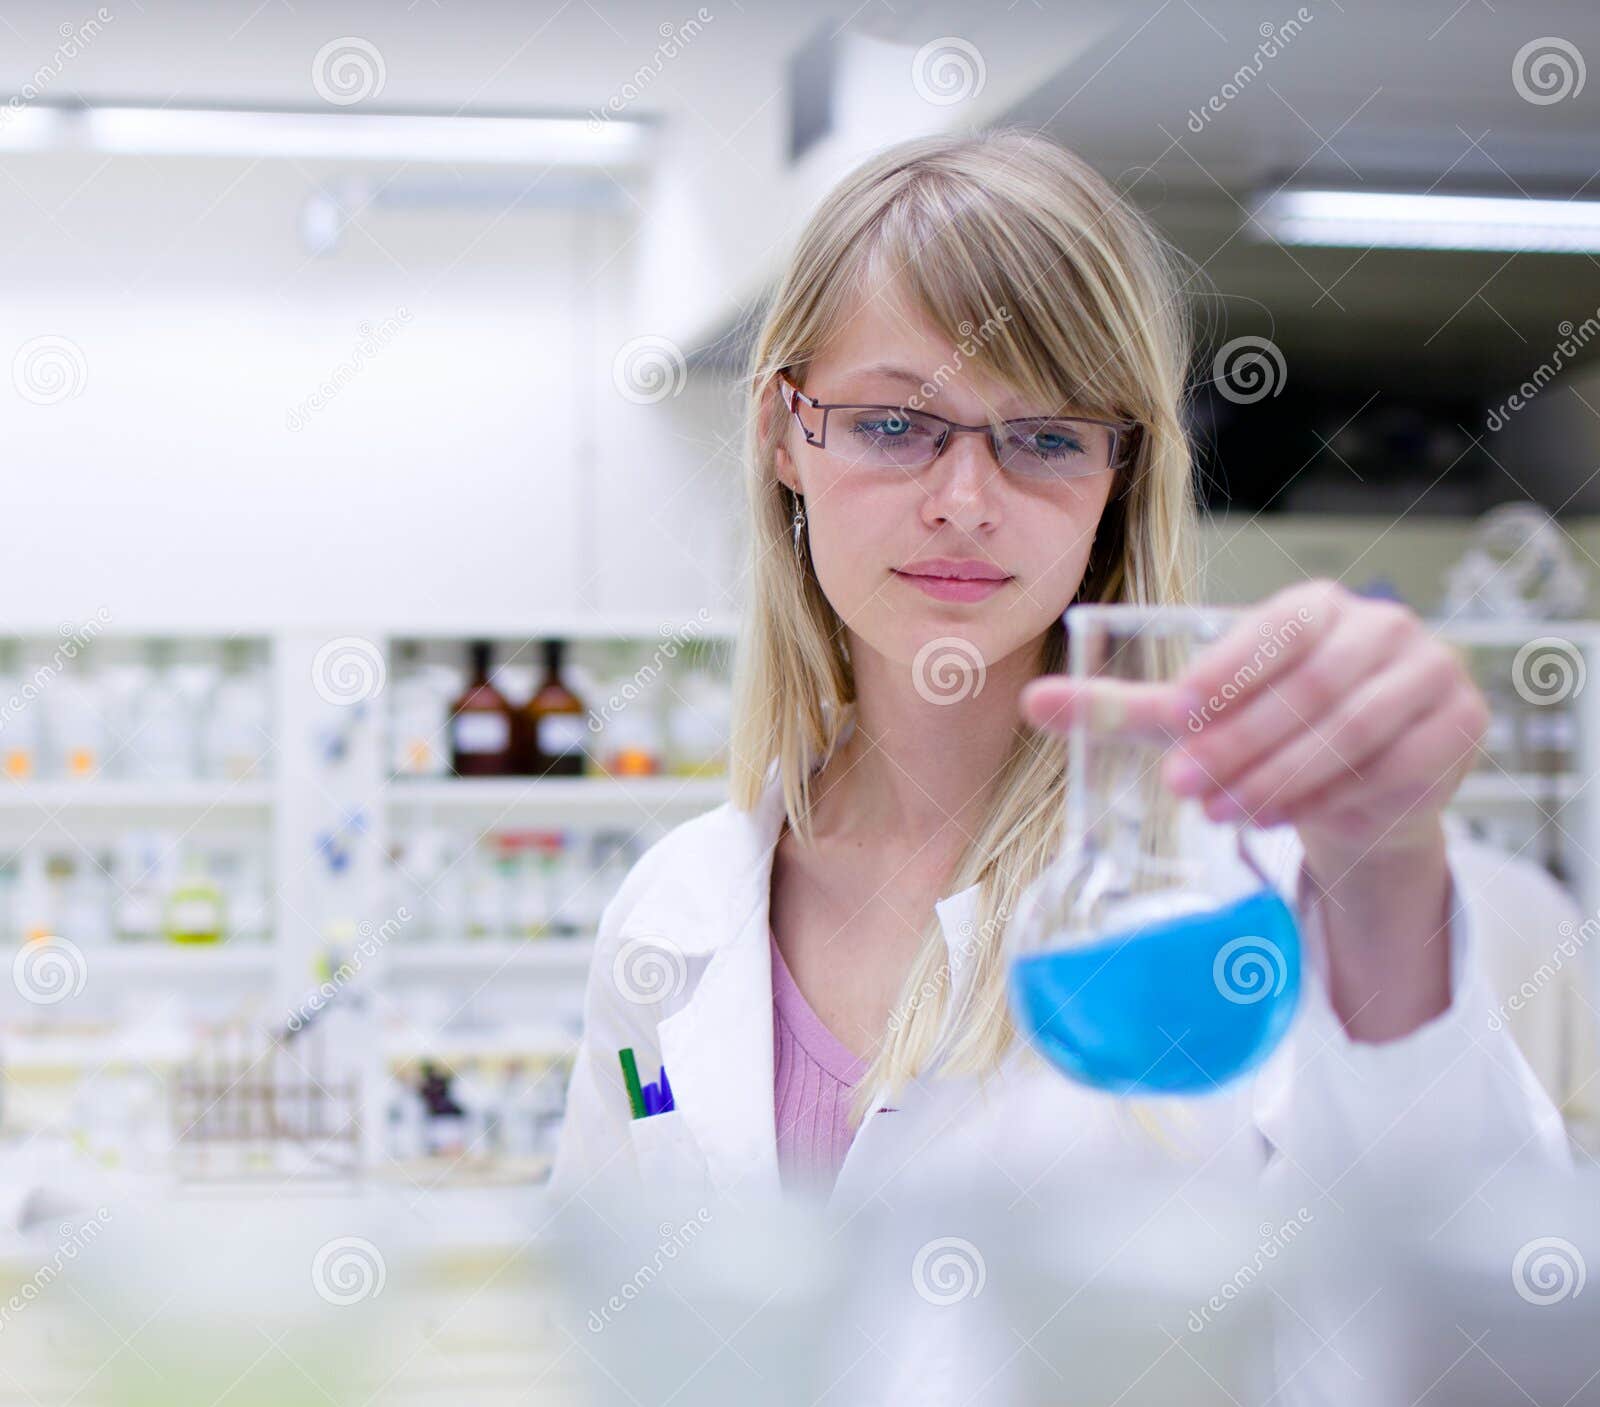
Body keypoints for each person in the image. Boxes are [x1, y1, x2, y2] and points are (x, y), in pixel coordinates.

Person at [551, 127, 1572, 1214]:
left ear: (1117, 480)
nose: (963, 500)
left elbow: (1487, 1309)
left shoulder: (1244, 880)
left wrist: (1383, 880)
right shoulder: (675, 909)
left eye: (1044, 438)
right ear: (782, 433)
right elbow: (601, 1320)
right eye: (894, 424)